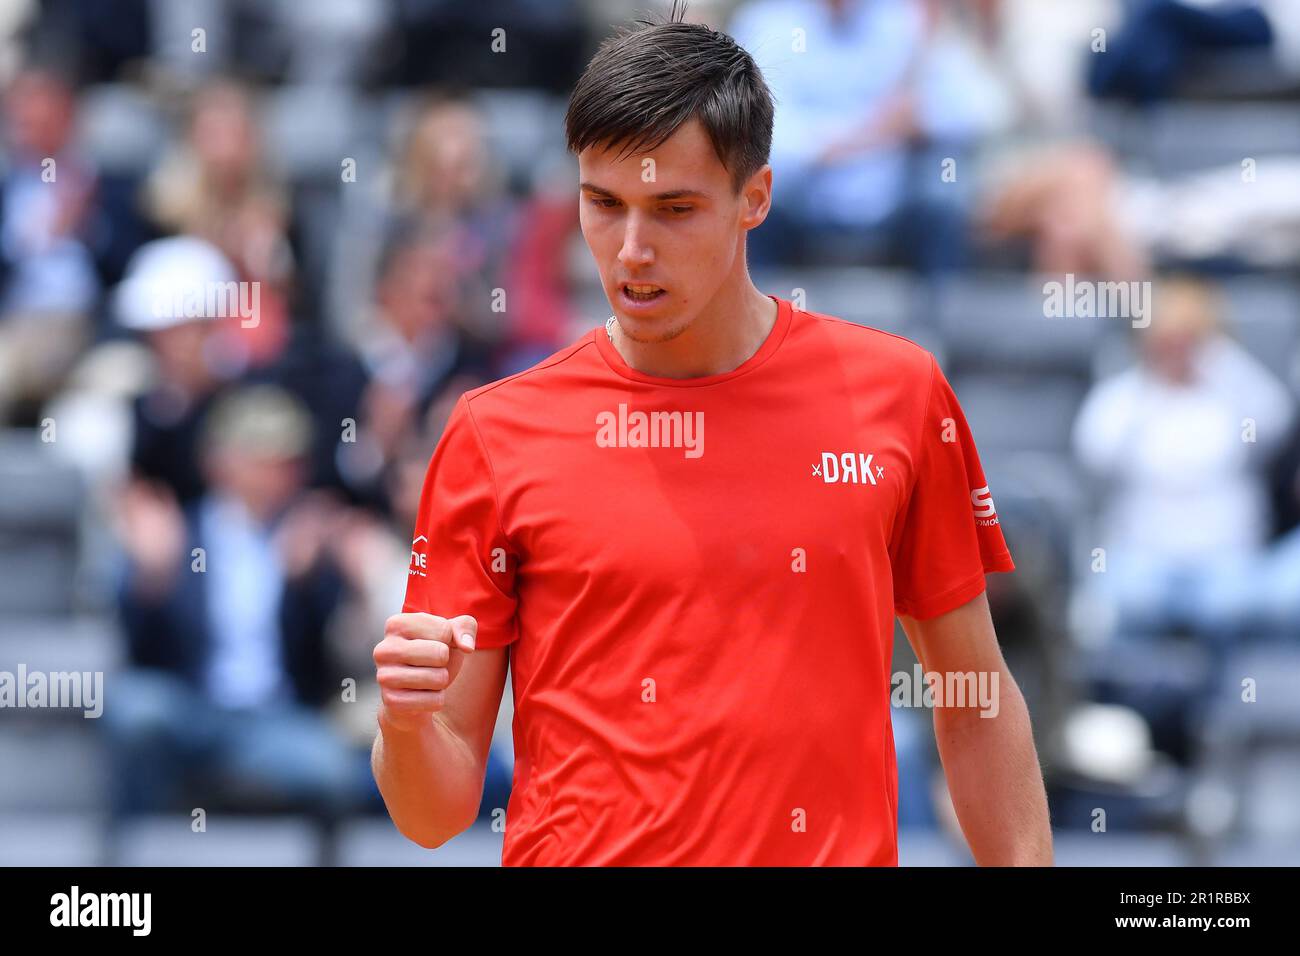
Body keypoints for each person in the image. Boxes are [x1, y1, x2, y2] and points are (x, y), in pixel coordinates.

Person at [371, 2, 1051, 866]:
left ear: (754, 198)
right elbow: (433, 814)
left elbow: (974, 699)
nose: (630, 249)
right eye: (603, 204)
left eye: (674, 208)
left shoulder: (899, 396)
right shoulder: (493, 434)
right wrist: (402, 722)